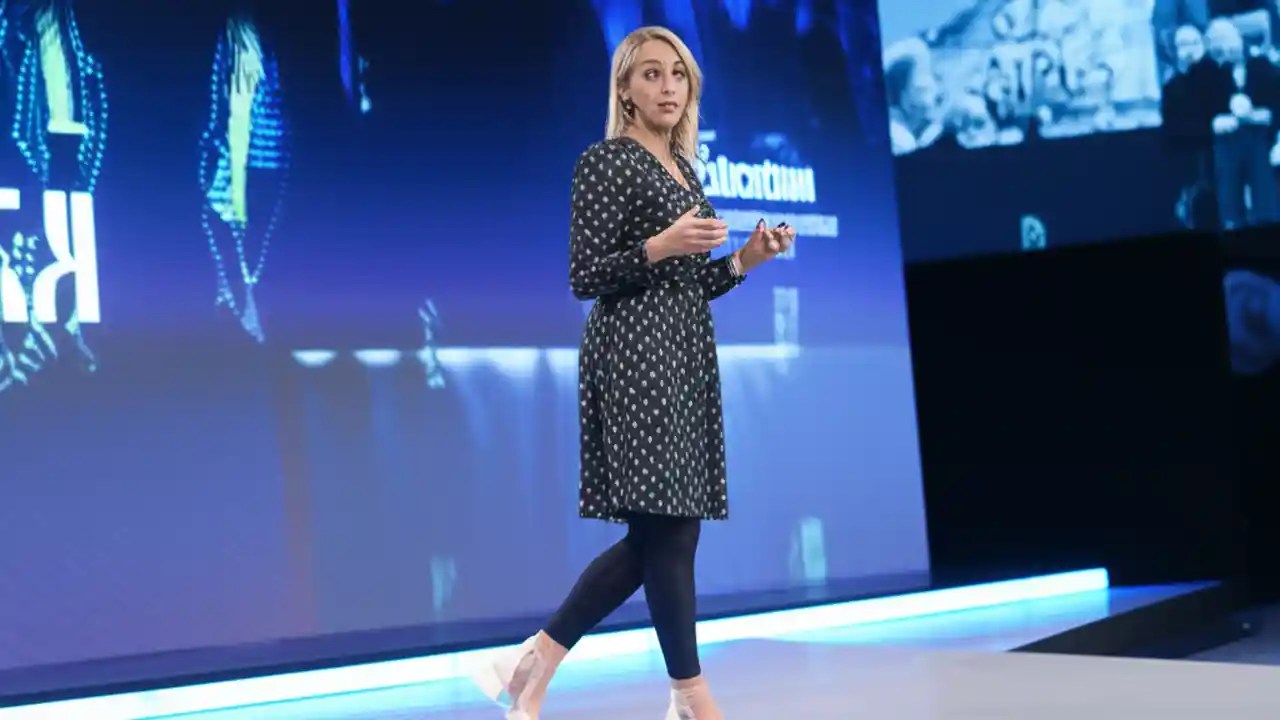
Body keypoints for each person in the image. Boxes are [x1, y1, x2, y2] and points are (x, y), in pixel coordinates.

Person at [470, 25, 795, 720]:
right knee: (669, 532)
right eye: (650, 74)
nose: (667, 87)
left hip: (682, 357)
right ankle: (690, 697)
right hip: (633, 359)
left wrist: (745, 261)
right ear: (625, 88)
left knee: (666, 534)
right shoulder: (605, 162)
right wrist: (660, 243)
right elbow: (585, 276)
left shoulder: (685, 165)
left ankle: (532, 664)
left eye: (677, 75)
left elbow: (689, 286)